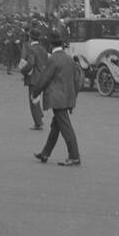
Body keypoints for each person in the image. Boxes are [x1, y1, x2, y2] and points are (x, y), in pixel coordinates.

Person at [31, 34, 83, 166]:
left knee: (66, 128)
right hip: (67, 97)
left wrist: (35, 93)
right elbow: (76, 80)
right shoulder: (70, 59)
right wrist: (73, 97)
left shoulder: (53, 59)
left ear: (51, 45)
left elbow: (45, 78)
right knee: (56, 127)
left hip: (56, 98)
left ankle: (74, 156)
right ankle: (45, 153)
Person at [21, 35, 50, 129]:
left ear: (30, 38)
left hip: (33, 77)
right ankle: (39, 115)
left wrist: (23, 70)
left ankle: (38, 122)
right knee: (37, 98)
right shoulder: (43, 49)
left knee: (33, 100)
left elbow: (31, 63)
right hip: (42, 76)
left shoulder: (31, 49)